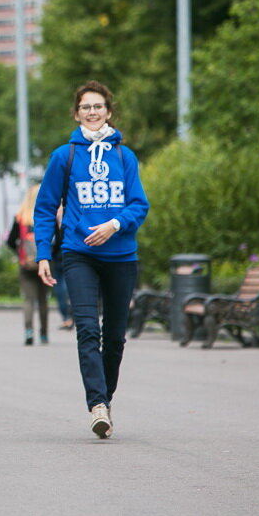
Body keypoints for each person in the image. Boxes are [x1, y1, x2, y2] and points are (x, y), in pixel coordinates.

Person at [34, 80, 150, 440]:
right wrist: (42, 254)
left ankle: (106, 399)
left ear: (109, 111)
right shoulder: (64, 156)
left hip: (120, 255)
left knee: (114, 337)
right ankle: (97, 405)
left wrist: (114, 225)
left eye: (98, 106)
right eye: (86, 107)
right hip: (78, 253)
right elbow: (45, 207)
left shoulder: (124, 156)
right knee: (87, 329)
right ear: (76, 113)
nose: (92, 112)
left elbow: (139, 205)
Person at [8, 186, 49, 345]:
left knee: (28, 300)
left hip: (26, 264)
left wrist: (20, 253)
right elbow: (58, 240)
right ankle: (44, 333)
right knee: (43, 299)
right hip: (44, 263)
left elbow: (11, 240)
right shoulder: (47, 217)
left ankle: (28, 331)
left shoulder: (21, 218)